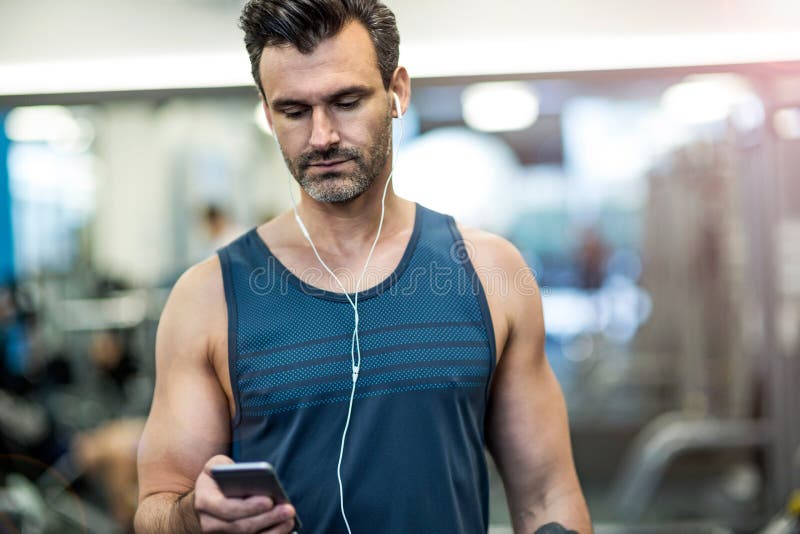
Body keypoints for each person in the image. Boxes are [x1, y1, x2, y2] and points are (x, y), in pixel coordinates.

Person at [134, 1, 592, 533]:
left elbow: (547, 496)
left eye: (346, 101)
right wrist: (193, 518)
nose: (322, 136)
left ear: (397, 91)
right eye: (294, 111)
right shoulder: (206, 298)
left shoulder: (490, 272)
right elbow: (156, 506)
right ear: (266, 111)